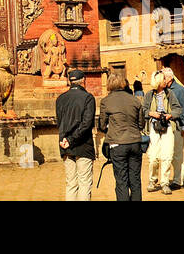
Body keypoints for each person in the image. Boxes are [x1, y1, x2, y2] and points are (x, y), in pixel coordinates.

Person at [97, 73, 145, 201]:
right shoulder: (135, 99)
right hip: (135, 142)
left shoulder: (106, 101)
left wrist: (109, 128)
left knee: (121, 181)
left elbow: (101, 125)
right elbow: (141, 124)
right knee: (135, 180)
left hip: (117, 144)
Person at [55, 68, 96, 201]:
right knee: (84, 182)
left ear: (70, 81)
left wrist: (65, 140)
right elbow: (86, 124)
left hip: (65, 144)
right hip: (82, 144)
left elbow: (60, 123)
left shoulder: (60, 99)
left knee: (71, 184)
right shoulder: (88, 98)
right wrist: (72, 139)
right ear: (83, 81)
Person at [144, 71, 182, 194]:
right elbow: (142, 110)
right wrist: (151, 113)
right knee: (153, 156)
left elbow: (178, 109)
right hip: (154, 126)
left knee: (167, 155)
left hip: (168, 126)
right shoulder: (149, 95)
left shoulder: (170, 94)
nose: (166, 81)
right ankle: (152, 180)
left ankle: (165, 182)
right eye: (164, 79)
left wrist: (170, 115)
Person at [162, 67, 184, 189]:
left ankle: (177, 181)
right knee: (173, 153)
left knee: (177, 153)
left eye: (163, 77)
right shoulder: (164, 90)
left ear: (169, 78)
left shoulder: (180, 90)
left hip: (179, 125)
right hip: (169, 126)